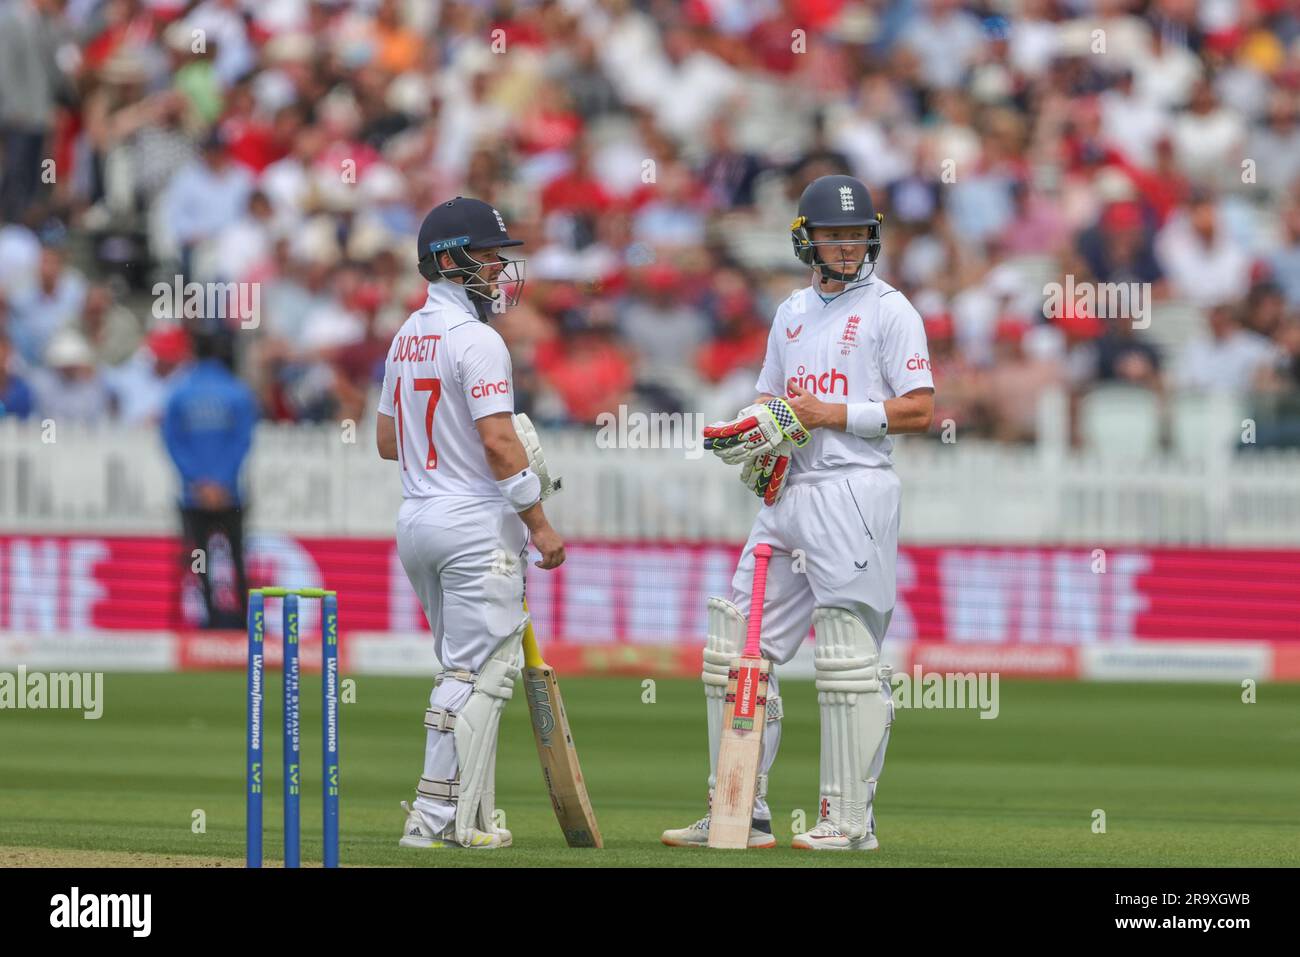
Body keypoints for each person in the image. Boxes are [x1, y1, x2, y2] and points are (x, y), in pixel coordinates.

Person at [663, 174, 935, 851]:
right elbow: (769, 400)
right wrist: (750, 438)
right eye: (834, 235)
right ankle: (737, 807)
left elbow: (921, 408)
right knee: (737, 652)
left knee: (847, 661)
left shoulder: (892, 309)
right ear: (806, 239)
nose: (848, 245)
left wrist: (835, 413)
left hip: (853, 490)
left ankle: (849, 820)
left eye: (857, 234)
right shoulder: (789, 311)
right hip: (785, 494)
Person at [378, 197, 566, 850]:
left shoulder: (406, 335)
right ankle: (435, 822)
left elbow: (385, 439)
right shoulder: (478, 340)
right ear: (452, 259)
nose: (498, 268)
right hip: (473, 525)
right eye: (488, 255)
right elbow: (497, 442)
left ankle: (475, 816)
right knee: (474, 676)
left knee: (467, 671)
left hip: (417, 521)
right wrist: (539, 522)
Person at [161, 330, 258, 628]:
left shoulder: (179, 392)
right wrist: (222, 482)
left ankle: (209, 622)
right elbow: (243, 441)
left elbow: (171, 441)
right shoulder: (237, 392)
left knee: (199, 559)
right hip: (230, 494)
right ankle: (244, 624)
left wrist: (198, 482)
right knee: (237, 558)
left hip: (194, 494)